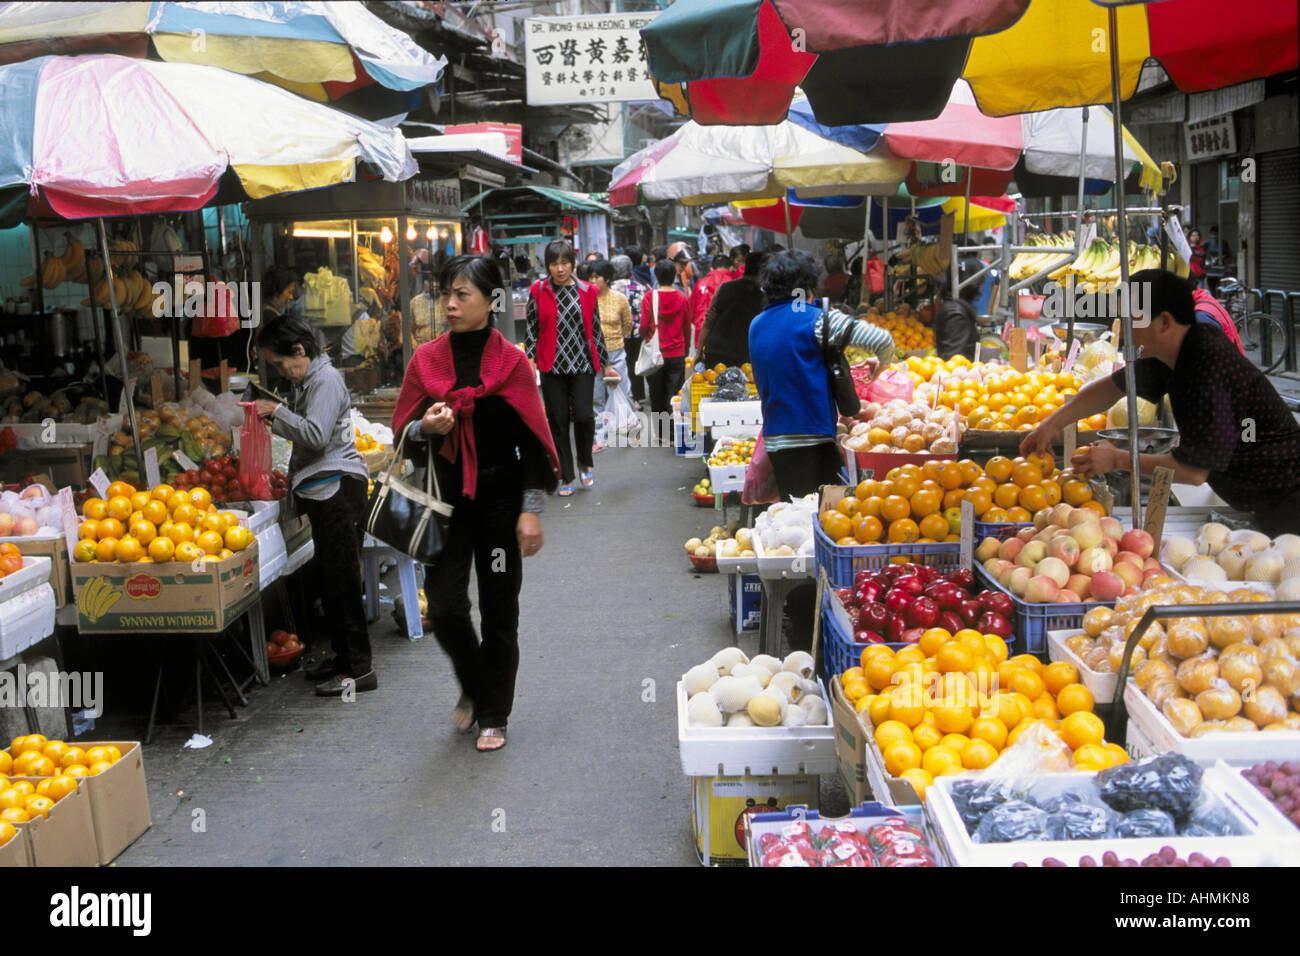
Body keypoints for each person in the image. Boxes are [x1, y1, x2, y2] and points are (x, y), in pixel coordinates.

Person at [392, 255, 560, 752]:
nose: (450, 303)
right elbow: (401, 431)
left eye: (462, 294)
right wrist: (425, 427)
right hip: (444, 505)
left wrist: (530, 510)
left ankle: (494, 713)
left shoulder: (512, 365)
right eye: (446, 293)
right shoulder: (426, 361)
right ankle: (474, 683)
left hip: (499, 504)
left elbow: (533, 443)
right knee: (444, 607)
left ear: (491, 301)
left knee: (499, 609)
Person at [1021, 269, 1300, 535]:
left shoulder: (1204, 366)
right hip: (1263, 500)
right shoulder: (1177, 350)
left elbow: (1194, 472)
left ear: (1164, 322)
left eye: (1131, 320)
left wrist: (1117, 459)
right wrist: (1051, 425)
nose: (1123, 332)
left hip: (1288, 499)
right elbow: (1113, 387)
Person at [748, 250, 894, 651]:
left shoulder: (757, 324)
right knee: (825, 534)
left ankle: (802, 619)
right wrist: (880, 364)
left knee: (798, 527)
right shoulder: (815, 320)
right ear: (807, 288)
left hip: (778, 441)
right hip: (814, 440)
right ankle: (814, 629)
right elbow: (882, 340)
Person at [254, 314, 374, 696]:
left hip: (337, 491)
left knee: (342, 584)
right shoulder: (311, 380)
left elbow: (317, 435)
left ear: (299, 350)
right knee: (333, 582)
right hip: (325, 494)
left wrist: (277, 413)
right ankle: (343, 660)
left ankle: (358, 670)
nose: (280, 371)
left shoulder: (324, 381)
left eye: (280, 363)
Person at [525, 239, 609, 497]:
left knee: (584, 416)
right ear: (547, 266)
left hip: (582, 363)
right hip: (552, 366)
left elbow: (595, 329)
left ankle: (585, 461)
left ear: (573, 264)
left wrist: (605, 363)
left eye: (564, 263)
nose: (560, 269)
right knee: (558, 421)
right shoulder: (538, 290)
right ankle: (565, 475)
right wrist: (530, 362)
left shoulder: (587, 291)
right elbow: (531, 331)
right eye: (554, 264)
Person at [697, 250, 767, 370]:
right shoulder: (761, 296)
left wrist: (698, 352)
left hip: (715, 353)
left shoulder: (724, 288)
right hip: (744, 357)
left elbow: (708, 321)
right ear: (761, 271)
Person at [640, 259, 692, 417]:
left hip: (655, 355)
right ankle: (673, 428)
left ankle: (661, 430)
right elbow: (687, 327)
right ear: (675, 275)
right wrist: (686, 348)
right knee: (674, 396)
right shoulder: (682, 298)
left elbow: (643, 326)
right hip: (677, 353)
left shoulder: (649, 297)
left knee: (656, 396)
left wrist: (646, 337)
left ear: (656, 276)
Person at [589, 259, 634, 421]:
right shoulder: (586, 299)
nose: (592, 280)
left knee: (623, 391)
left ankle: (626, 425)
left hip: (616, 352)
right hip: (593, 353)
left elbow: (627, 324)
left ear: (607, 279)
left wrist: (617, 339)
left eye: (597, 277)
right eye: (590, 277)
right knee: (596, 396)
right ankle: (600, 430)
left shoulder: (620, 298)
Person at [933, 260, 980, 361]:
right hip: (961, 369)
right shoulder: (956, 313)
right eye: (979, 282)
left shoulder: (955, 307)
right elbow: (953, 359)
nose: (980, 287)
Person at [689, 252, 734, 354]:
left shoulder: (699, 284)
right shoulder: (734, 283)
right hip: (727, 340)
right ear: (731, 268)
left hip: (702, 339)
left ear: (711, 269)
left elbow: (691, 314)